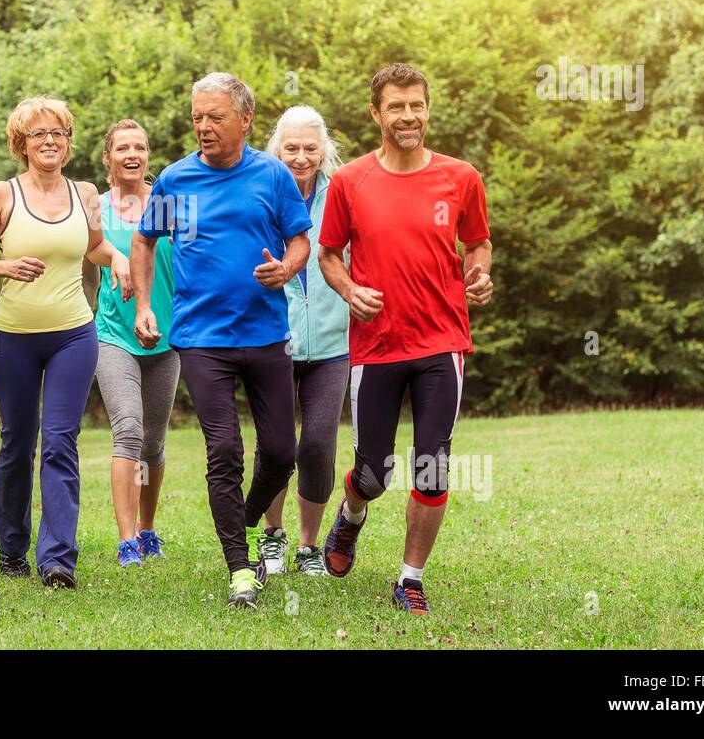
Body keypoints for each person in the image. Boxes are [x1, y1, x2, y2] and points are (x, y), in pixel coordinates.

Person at [317, 63, 494, 615]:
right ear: (377, 113)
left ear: (427, 108)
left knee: (432, 463)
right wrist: (349, 290)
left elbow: (478, 243)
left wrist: (480, 272)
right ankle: (350, 518)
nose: (409, 115)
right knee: (373, 473)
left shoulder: (460, 177)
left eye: (416, 104)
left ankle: (410, 579)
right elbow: (327, 255)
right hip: (377, 346)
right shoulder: (350, 182)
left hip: (442, 343)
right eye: (396, 106)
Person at [131, 72, 312, 609]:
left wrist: (286, 269)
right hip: (201, 338)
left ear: (246, 120)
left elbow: (300, 240)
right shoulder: (177, 180)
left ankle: (245, 521)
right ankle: (239, 568)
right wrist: (143, 304)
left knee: (281, 452)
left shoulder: (273, 176)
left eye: (215, 117)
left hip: (265, 334)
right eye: (197, 118)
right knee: (225, 450)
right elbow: (144, 242)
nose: (204, 127)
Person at [0, 96, 132, 589]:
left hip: (72, 334)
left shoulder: (85, 193)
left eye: (58, 133)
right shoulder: (2, 195)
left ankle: (58, 558)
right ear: (22, 143)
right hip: (10, 338)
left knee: (60, 441)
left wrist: (119, 260)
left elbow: (94, 247)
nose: (49, 142)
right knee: (18, 442)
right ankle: (12, 549)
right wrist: (5, 266)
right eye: (39, 134)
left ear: (68, 142)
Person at [255, 105, 351, 577]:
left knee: (317, 444)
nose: (300, 157)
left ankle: (309, 544)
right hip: (272, 337)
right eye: (290, 148)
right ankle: (272, 536)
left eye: (310, 148)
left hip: (334, 341)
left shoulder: (342, 194)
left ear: (324, 150)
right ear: (277, 149)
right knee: (275, 445)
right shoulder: (260, 191)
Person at [92, 119, 180, 567]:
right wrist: (116, 257)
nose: (132, 154)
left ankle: (148, 529)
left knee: (154, 442)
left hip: (166, 339)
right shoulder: (97, 206)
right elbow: (89, 249)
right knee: (128, 427)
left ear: (148, 154)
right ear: (107, 157)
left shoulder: (167, 204)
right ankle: (126, 538)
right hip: (113, 335)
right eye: (122, 147)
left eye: (140, 147)